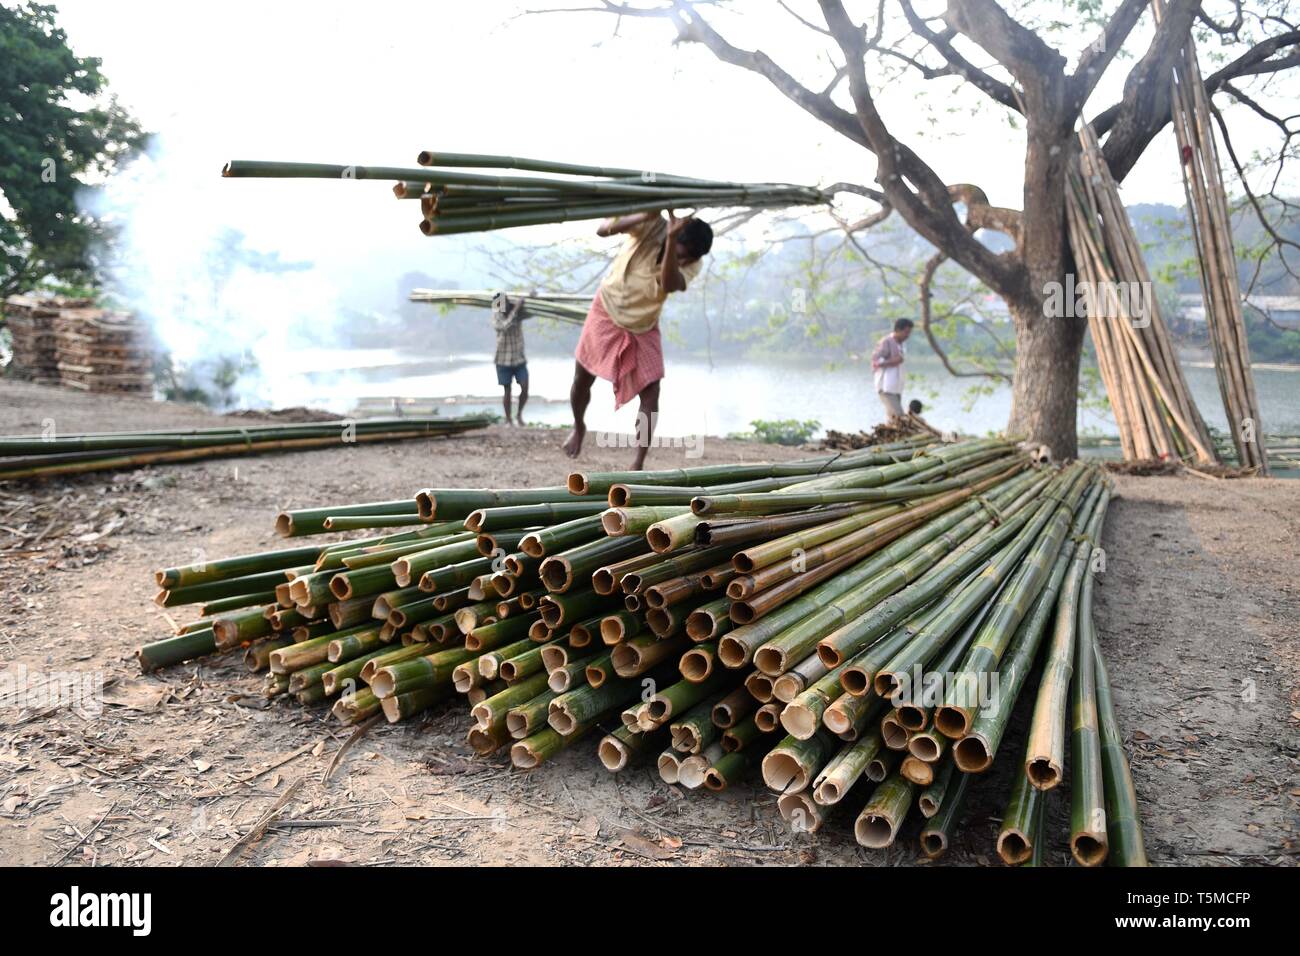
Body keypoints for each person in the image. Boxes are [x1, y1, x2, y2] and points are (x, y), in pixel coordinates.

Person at [562, 210, 713, 469]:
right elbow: (603, 228)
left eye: (689, 257)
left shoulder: (692, 263)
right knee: (582, 377)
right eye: (680, 253)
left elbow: (668, 284)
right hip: (607, 309)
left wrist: (673, 244)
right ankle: (578, 426)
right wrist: (645, 214)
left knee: (652, 393)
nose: (684, 259)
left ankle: (638, 461)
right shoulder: (650, 224)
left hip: (644, 324)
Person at [491, 292, 528, 426]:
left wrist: (528, 299)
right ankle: (508, 419)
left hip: (518, 358)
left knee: (525, 387)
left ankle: (519, 415)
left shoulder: (518, 313)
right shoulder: (496, 316)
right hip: (503, 359)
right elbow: (504, 326)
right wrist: (516, 308)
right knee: (507, 390)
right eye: (500, 304)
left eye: (505, 302)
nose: (503, 306)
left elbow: (530, 313)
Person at [872, 318, 913, 422]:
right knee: (899, 417)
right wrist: (893, 361)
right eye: (906, 332)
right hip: (886, 387)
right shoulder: (886, 342)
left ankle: (891, 438)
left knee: (892, 418)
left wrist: (897, 360)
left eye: (909, 333)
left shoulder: (902, 344)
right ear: (898, 330)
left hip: (896, 387)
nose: (908, 335)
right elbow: (875, 361)